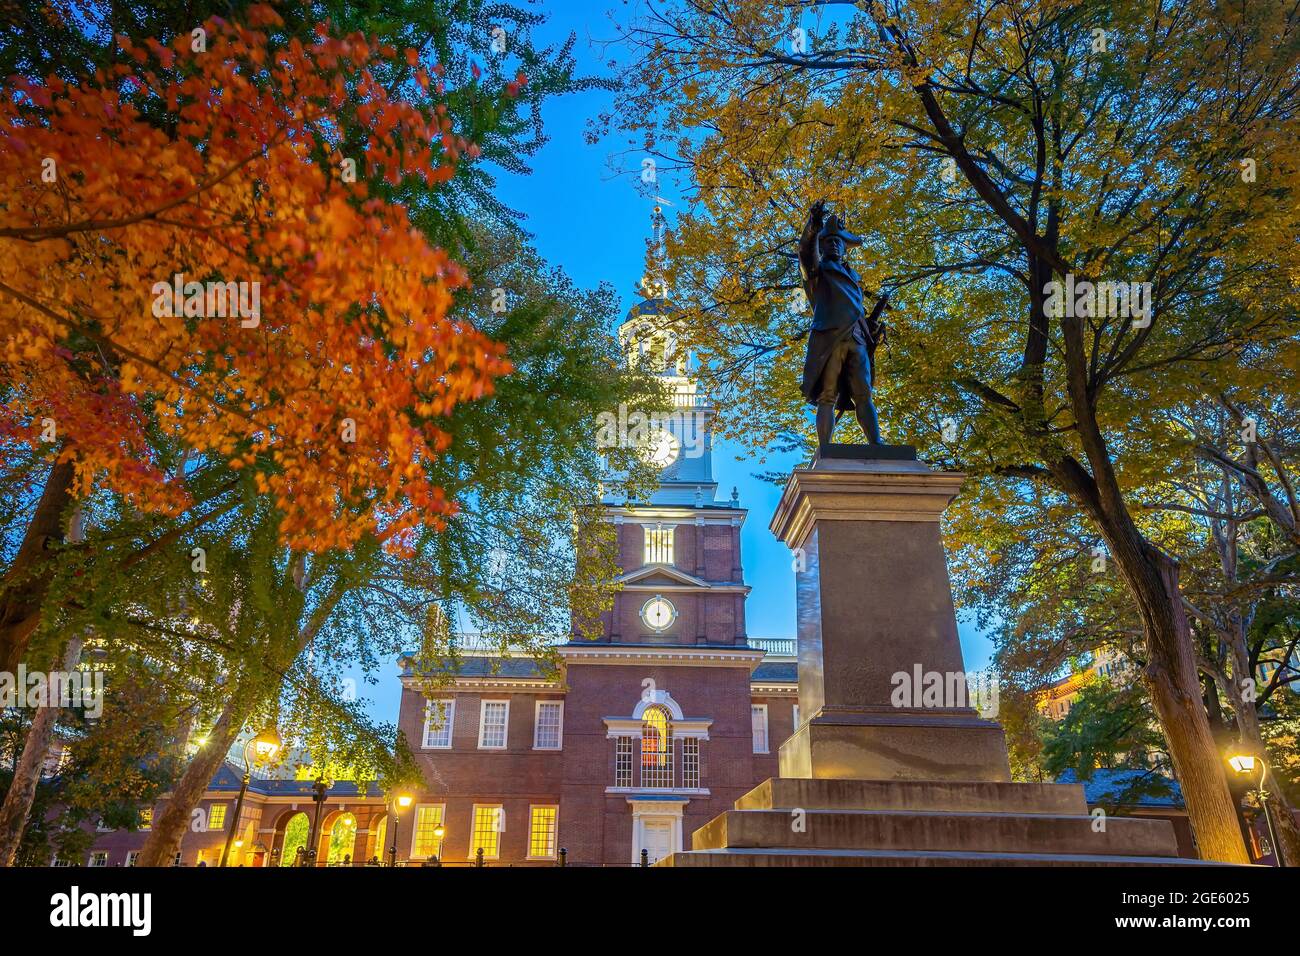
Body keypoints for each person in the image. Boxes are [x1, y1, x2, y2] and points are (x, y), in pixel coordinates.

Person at [797, 199, 888, 446]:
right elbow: (805, 251)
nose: (835, 245)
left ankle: (875, 444)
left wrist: (870, 328)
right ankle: (825, 447)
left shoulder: (852, 278)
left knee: (864, 394)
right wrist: (814, 224)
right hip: (830, 337)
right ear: (822, 246)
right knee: (827, 395)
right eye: (829, 242)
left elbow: (855, 310)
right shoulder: (816, 272)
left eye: (839, 242)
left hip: (857, 338)